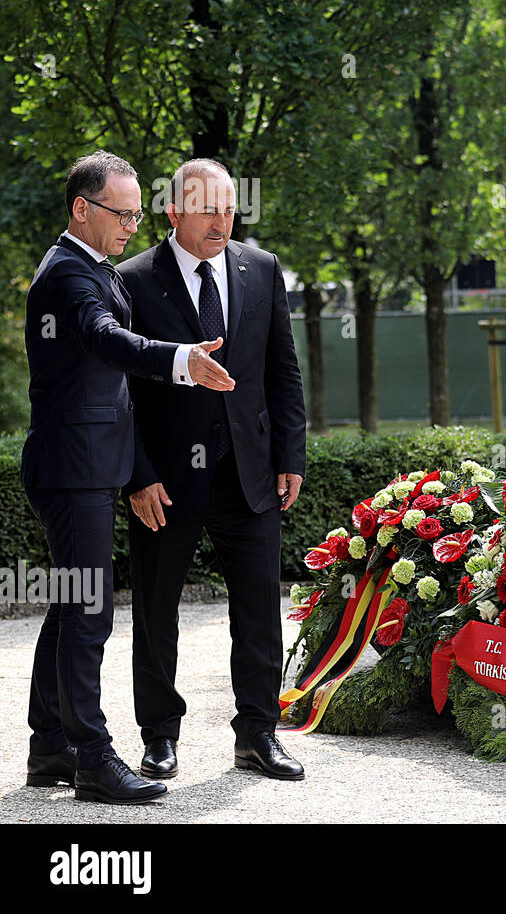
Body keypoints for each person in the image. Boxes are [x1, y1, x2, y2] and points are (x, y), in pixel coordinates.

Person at [23, 149, 235, 805]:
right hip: (73, 468)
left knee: (69, 605)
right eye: (122, 213)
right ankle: (92, 758)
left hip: (87, 465)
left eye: (140, 213)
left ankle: (49, 745)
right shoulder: (69, 278)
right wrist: (181, 359)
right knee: (88, 612)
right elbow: (107, 340)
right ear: (82, 209)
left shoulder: (92, 267)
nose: (133, 226)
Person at [120, 158, 307, 781]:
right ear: (174, 211)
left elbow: (282, 370)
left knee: (258, 607)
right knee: (156, 608)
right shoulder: (132, 280)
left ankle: (257, 733)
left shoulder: (261, 269)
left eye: (229, 208)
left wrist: (289, 456)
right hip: (165, 482)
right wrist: (137, 474)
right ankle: (159, 735)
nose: (221, 220)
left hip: (249, 471)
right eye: (207, 208)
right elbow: (121, 392)